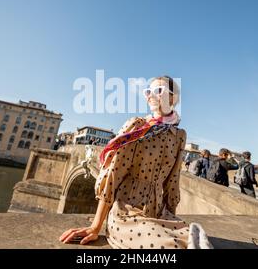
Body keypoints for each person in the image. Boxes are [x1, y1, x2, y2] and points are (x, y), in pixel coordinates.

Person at [59, 76, 212, 249]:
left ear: (172, 97)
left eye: (158, 90)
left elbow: (172, 182)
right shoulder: (136, 127)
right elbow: (113, 175)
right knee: (169, 247)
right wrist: (96, 227)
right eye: (148, 91)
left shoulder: (179, 136)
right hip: (127, 213)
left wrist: (171, 221)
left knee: (194, 241)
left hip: (159, 213)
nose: (150, 95)